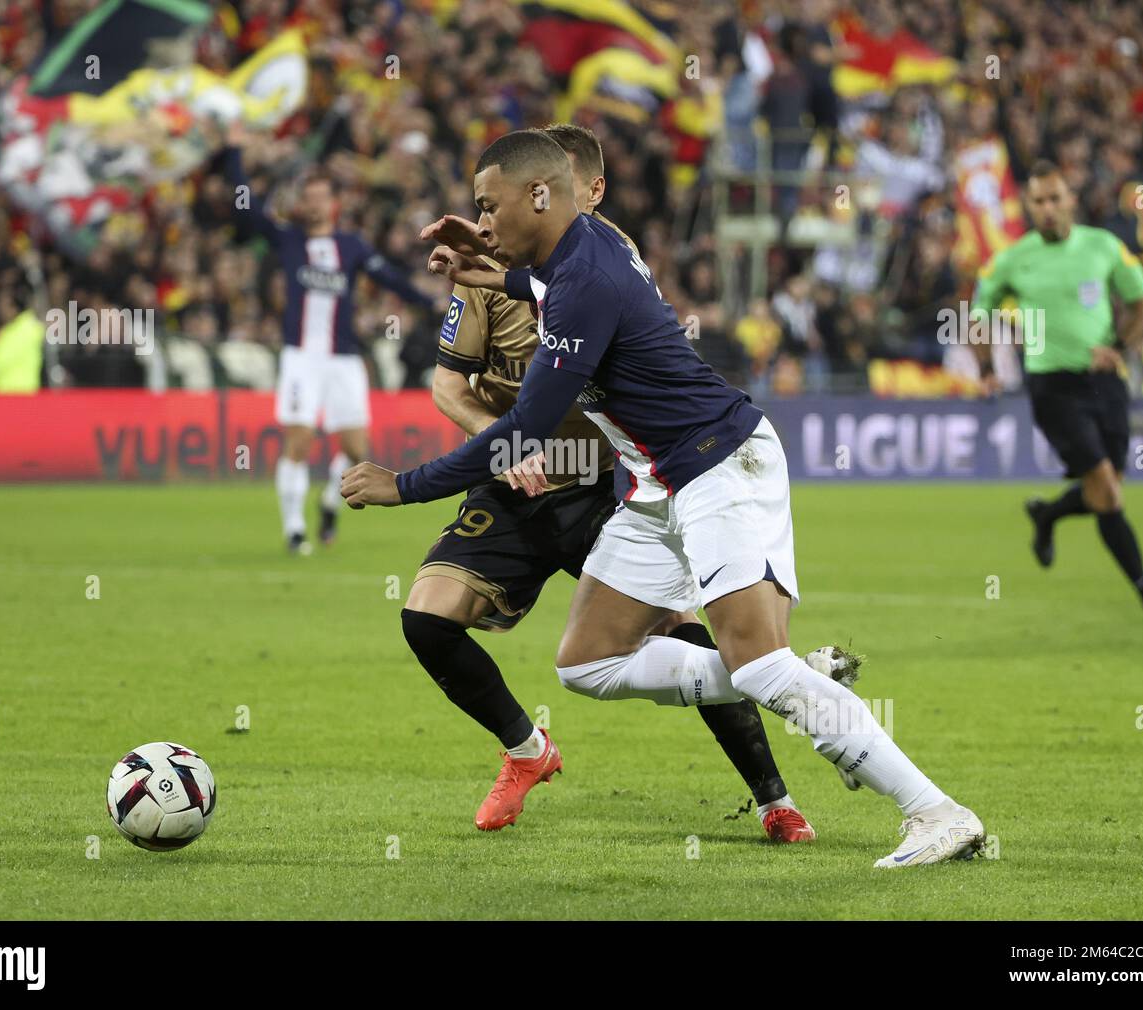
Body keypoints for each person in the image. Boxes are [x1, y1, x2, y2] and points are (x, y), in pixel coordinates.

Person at [344, 130, 983, 868]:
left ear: (540, 195)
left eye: (490, 206)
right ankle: (807, 687)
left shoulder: (583, 281)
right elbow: (548, 285)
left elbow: (521, 428)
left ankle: (935, 812)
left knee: (760, 670)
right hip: (661, 484)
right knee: (586, 664)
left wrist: (403, 486)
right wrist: (495, 274)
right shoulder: (588, 250)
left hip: (719, 466)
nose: (481, 222)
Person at [406, 124, 836, 839]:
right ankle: (526, 750)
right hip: (515, 479)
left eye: (588, 187)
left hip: (607, 485)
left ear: (590, 192)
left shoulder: (606, 265)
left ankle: (774, 798)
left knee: (683, 634)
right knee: (426, 617)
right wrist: (504, 446)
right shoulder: (488, 274)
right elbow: (449, 384)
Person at [972, 161, 1143, 621]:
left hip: (1106, 385)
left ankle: (1048, 514)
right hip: (1053, 387)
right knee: (1107, 493)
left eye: (1055, 198)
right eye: (1038, 201)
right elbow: (977, 315)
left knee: (1105, 492)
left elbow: (1142, 307)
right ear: (1028, 206)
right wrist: (988, 367)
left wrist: (1117, 346)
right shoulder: (1013, 258)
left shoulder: (1103, 246)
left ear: (1070, 199)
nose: (1047, 209)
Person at [221, 121, 443, 554]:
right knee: (299, 441)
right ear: (302, 204)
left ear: (335, 203)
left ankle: (327, 503)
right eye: (309, 198)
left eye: (323, 197)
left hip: (343, 358)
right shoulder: (287, 239)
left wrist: (428, 299)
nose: (316, 204)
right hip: (302, 357)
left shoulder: (352, 247)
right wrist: (233, 155)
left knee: (358, 452)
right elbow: (245, 211)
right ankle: (294, 531)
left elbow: (389, 278)